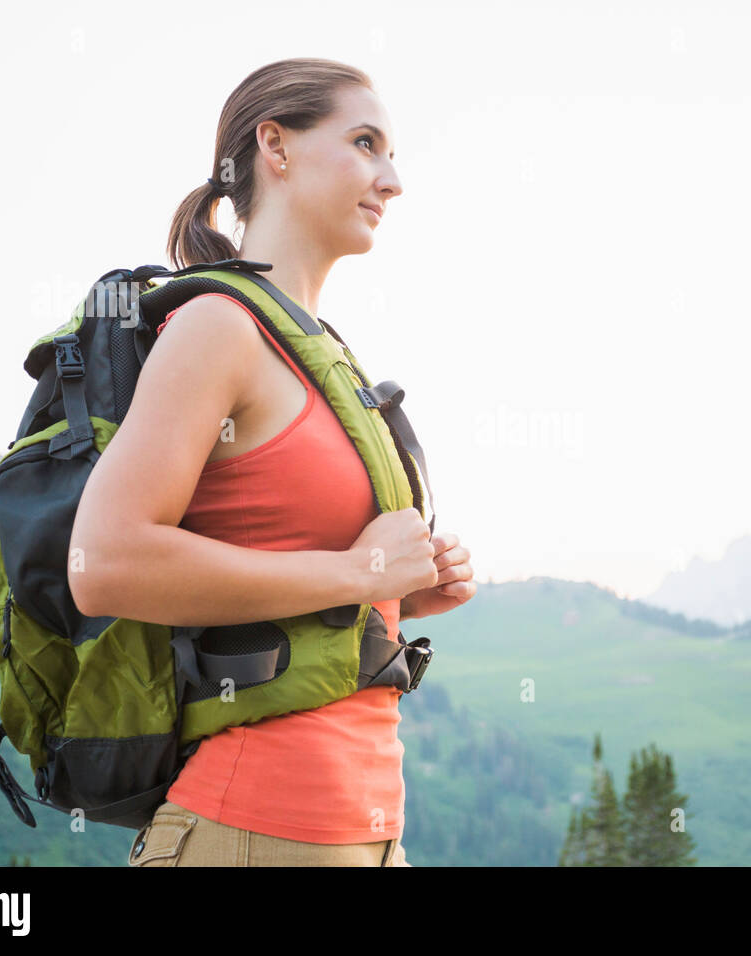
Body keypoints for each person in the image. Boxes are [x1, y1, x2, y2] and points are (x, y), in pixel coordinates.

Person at [68, 57, 475, 866]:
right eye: (365, 143)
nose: (391, 180)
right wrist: (357, 575)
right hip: (250, 828)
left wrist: (396, 595)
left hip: (367, 832)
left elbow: (284, 575)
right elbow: (104, 561)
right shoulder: (219, 326)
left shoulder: (323, 354)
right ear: (275, 147)